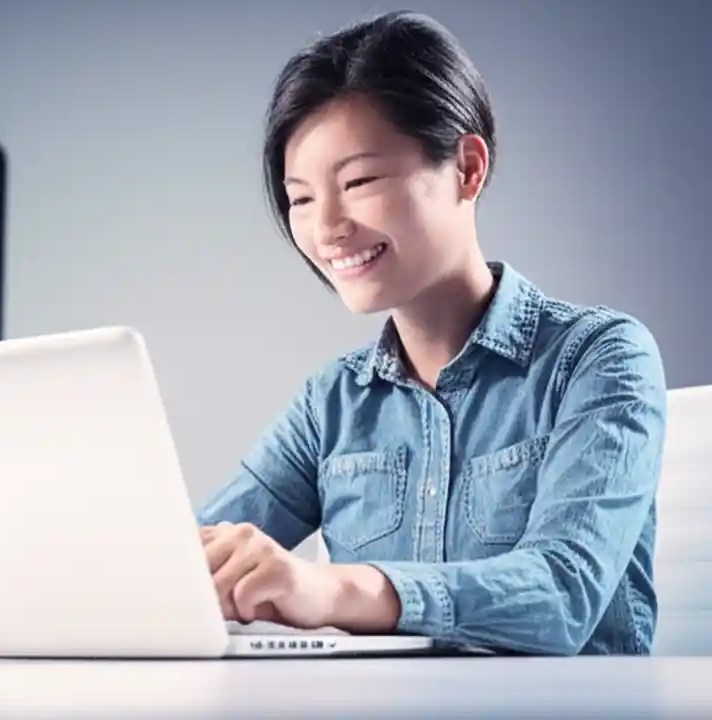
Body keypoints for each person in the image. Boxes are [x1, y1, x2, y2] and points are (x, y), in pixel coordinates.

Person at [196, 10, 667, 656]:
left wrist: (330, 589)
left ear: (467, 168)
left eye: (359, 181)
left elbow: (563, 594)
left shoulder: (600, 358)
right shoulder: (331, 403)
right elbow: (183, 563)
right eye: (300, 198)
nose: (326, 228)